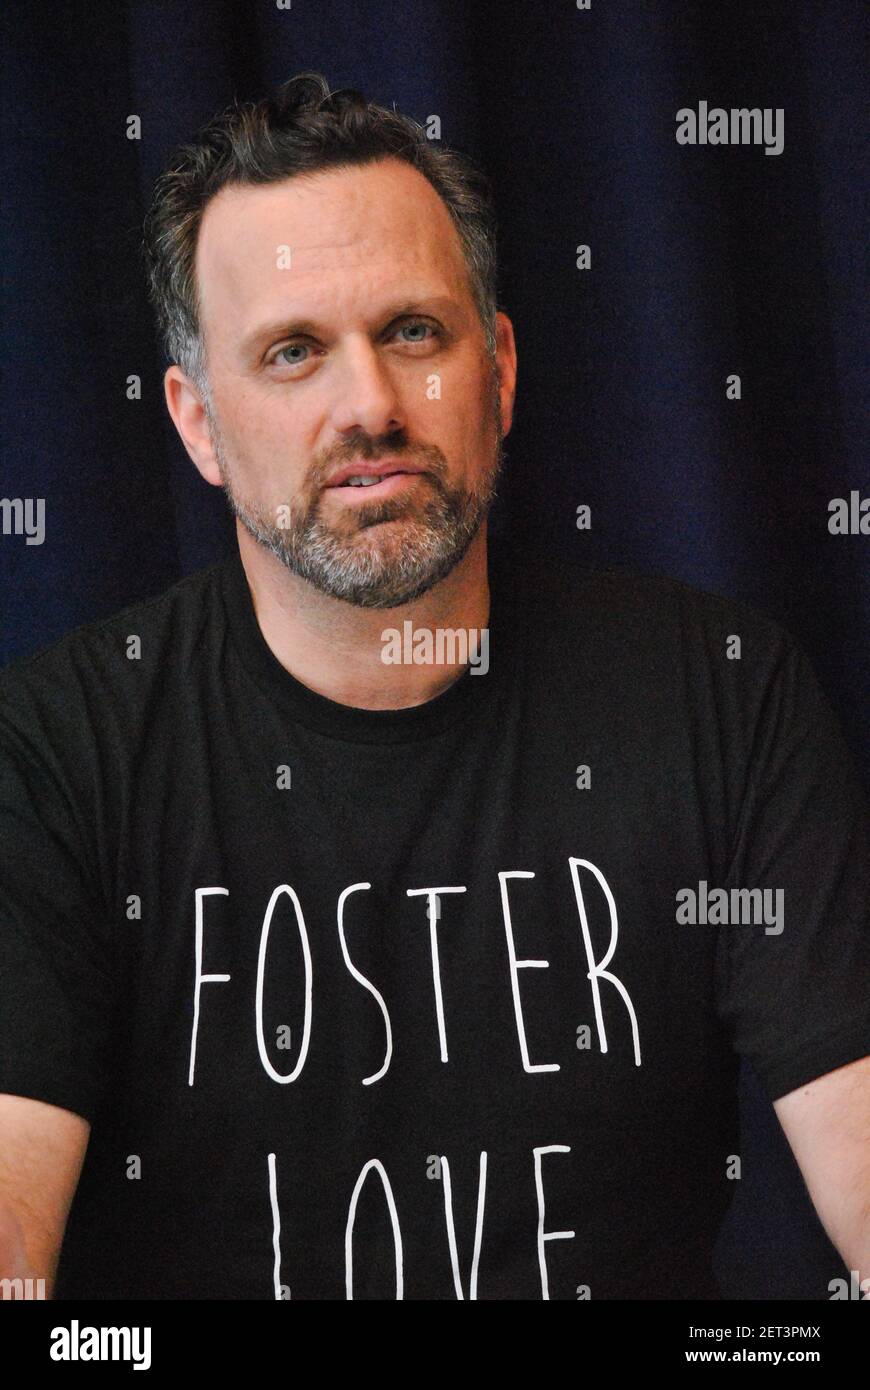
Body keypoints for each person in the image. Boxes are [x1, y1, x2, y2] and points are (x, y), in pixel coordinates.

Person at [1, 72, 868, 1302]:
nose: (370, 407)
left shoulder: (719, 694)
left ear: (499, 369)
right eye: (294, 352)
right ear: (197, 422)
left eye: (414, 332)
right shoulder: (51, 753)